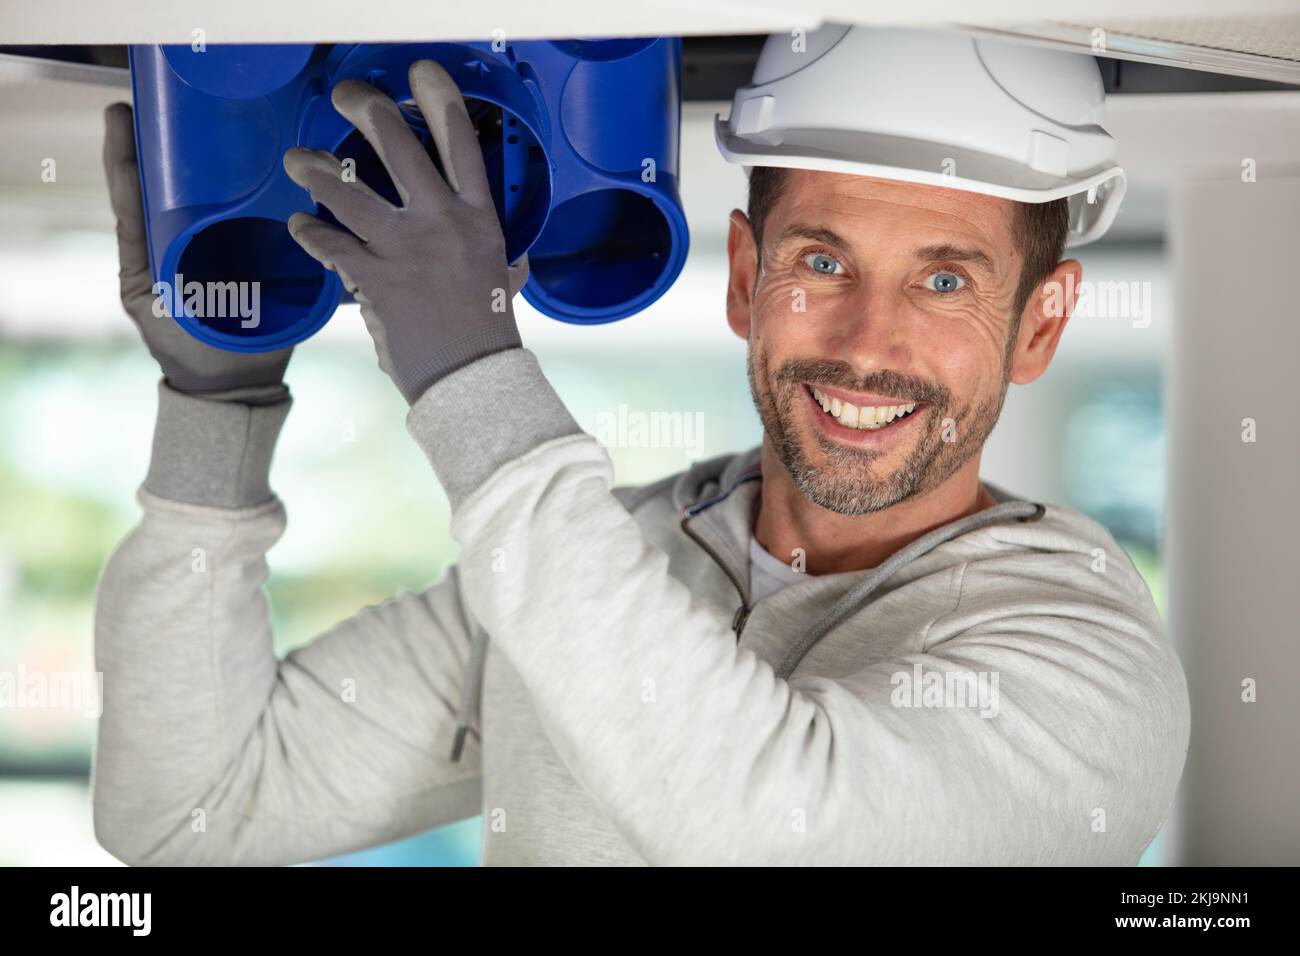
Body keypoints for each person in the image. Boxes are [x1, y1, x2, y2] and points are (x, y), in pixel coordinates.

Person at [92, 28, 1189, 866]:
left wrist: (475, 384)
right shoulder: (609, 558)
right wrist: (213, 409)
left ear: (1039, 323)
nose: (867, 343)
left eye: (944, 280)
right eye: (821, 261)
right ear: (744, 275)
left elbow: (768, 822)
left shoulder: (1081, 667)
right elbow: (191, 807)